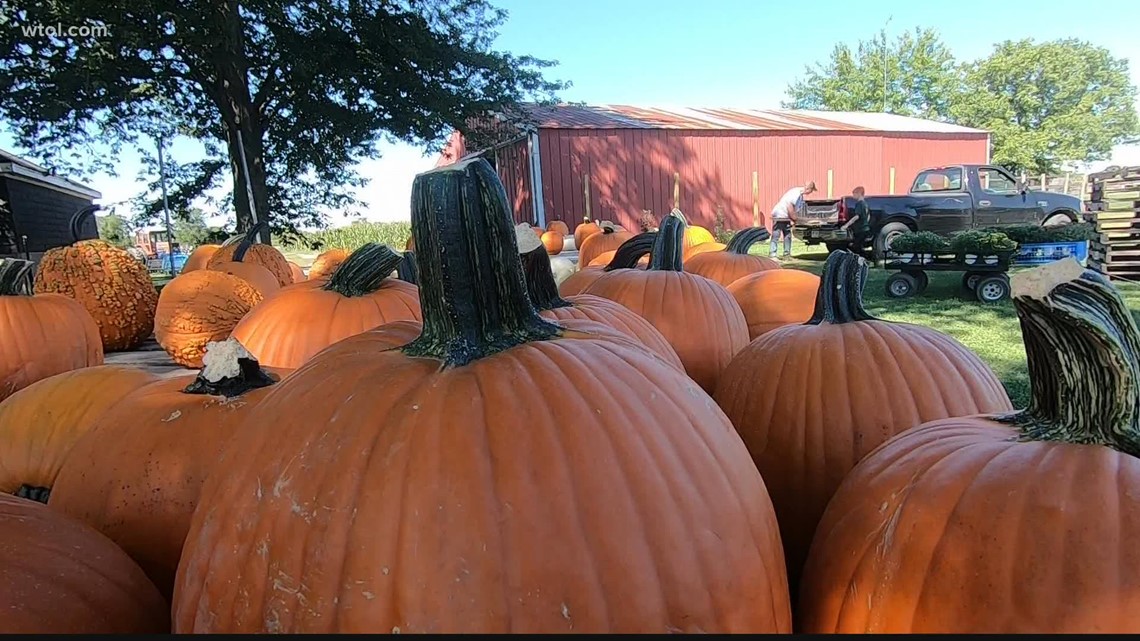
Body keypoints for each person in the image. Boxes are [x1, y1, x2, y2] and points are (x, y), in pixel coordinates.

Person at [769, 180, 816, 258]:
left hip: (786, 216)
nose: (810, 193)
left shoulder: (800, 195)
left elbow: (795, 209)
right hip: (780, 214)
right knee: (776, 234)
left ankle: (787, 254)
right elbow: (790, 207)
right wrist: (795, 220)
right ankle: (772, 254)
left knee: (787, 235)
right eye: (811, 191)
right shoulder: (796, 193)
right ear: (809, 189)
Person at [840, 185, 872, 257]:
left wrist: (846, 225)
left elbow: (856, 216)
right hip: (865, 229)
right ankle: (863, 260)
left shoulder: (859, 204)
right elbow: (868, 216)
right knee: (858, 246)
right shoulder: (865, 204)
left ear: (859, 193)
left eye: (854, 194)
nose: (853, 196)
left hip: (860, 230)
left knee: (855, 247)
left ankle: (868, 259)